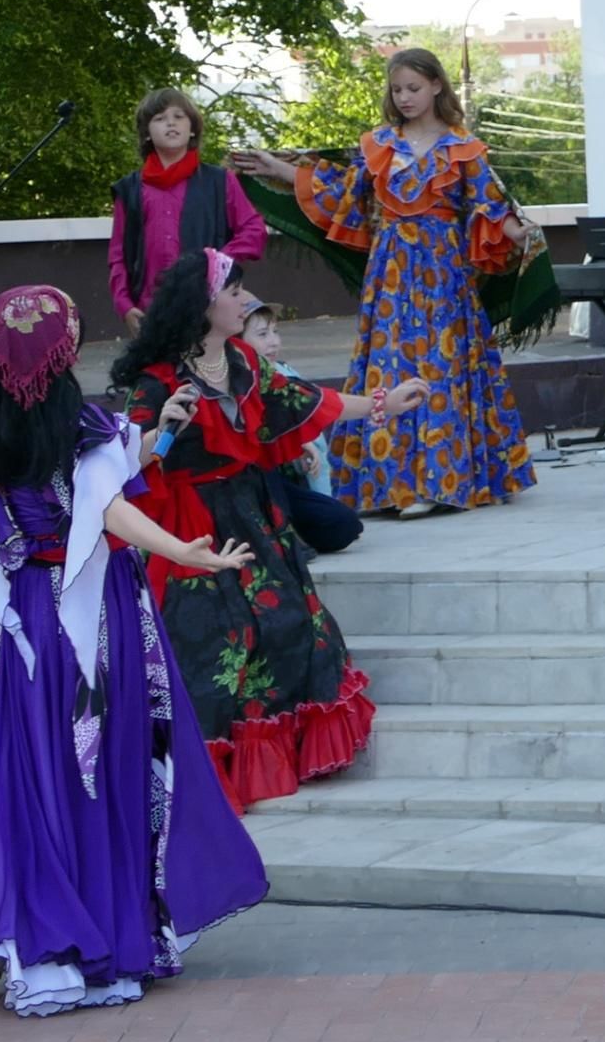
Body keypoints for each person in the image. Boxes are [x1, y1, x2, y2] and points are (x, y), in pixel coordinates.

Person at [0, 285, 269, 1016]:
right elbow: (107, 508)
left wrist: (155, 436)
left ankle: (28, 932)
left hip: (25, 616)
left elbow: (88, 484)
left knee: (29, 767)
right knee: (102, 767)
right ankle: (92, 938)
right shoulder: (77, 424)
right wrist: (187, 551)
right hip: (95, 617)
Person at [110, 249, 427, 808]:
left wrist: (384, 403)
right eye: (233, 292)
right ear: (205, 303)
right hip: (195, 523)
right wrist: (161, 429)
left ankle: (282, 750)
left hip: (254, 511)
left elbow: (308, 402)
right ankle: (207, 771)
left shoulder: (245, 363)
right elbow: (126, 463)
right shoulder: (156, 380)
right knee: (214, 641)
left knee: (297, 623)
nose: (242, 301)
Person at [230, 48, 540, 519]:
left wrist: (521, 232)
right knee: (391, 366)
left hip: (443, 274)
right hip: (391, 272)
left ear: (437, 85)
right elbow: (337, 190)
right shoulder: (380, 145)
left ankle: (440, 482)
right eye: (398, 90)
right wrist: (279, 169)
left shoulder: (464, 147)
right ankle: (387, 486)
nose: (405, 97)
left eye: (413, 88)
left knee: (442, 365)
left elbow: (489, 206)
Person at [109, 89, 265, 337]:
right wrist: (125, 305)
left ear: (192, 129)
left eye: (178, 116)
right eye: (159, 118)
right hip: (151, 312)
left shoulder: (220, 181)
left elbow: (254, 230)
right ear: (146, 134)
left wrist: (216, 264)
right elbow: (118, 256)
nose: (170, 122)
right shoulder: (129, 190)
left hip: (210, 309)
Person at [240, 298, 363, 556]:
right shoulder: (239, 376)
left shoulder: (283, 371)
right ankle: (282, 531)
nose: (273, 341)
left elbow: (311, 406)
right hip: (257, 473)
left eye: (275, 332)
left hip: (294, 472)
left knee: (343, 523)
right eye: (262, 334)